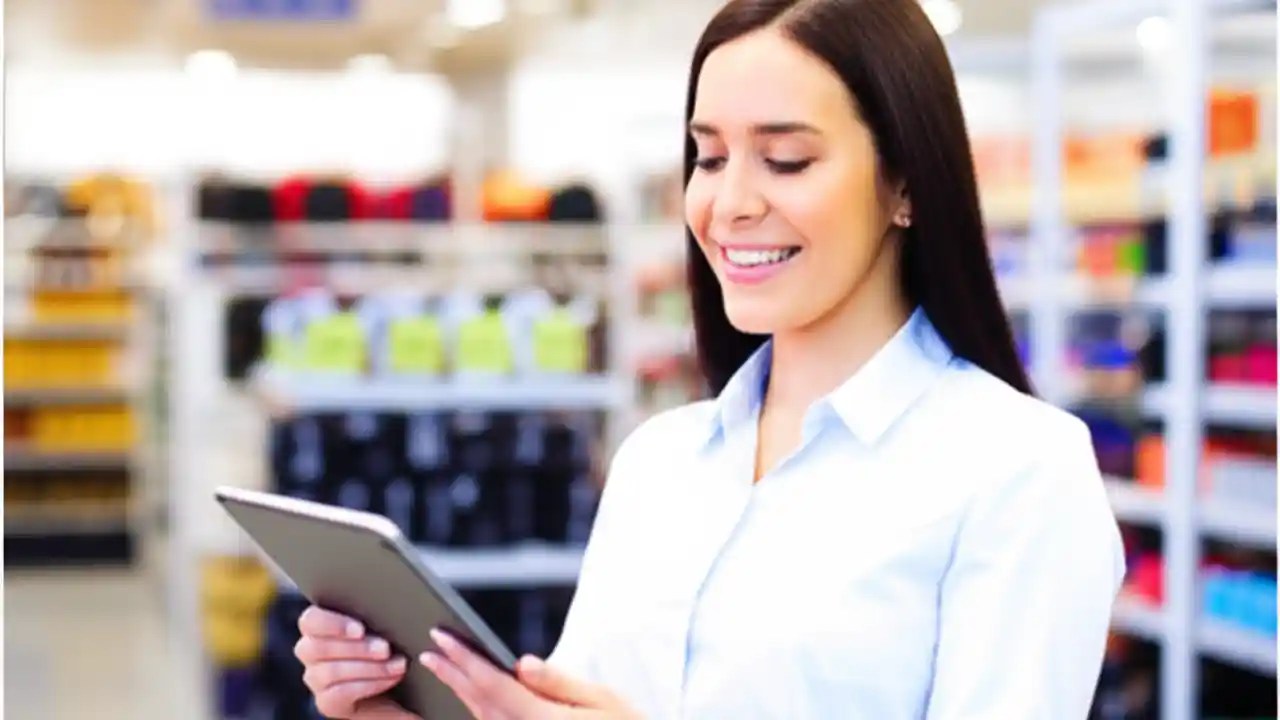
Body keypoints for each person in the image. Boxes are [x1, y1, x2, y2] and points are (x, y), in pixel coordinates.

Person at [292, 0, 1126, 717]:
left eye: (786, 160)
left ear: (906, 182)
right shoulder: (661, 463)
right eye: (710, 157)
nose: (730, 205)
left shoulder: (1019, 470)